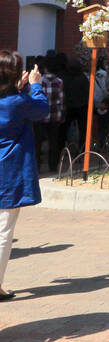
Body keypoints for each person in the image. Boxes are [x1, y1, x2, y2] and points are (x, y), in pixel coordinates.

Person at [0, 51, 49, 300]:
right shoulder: (18, 102)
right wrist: (36, 85)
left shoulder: (14, 100)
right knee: (4, 230)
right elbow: (41, 109)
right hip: (7, 173)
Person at [63, 58, 90, 154]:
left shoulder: (65, 78)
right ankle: (82, 151)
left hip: (68, 107)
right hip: (82, 107)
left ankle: (63, 149)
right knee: (83, 130)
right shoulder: (83, 78)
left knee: (64, 129)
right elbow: (88, 92)